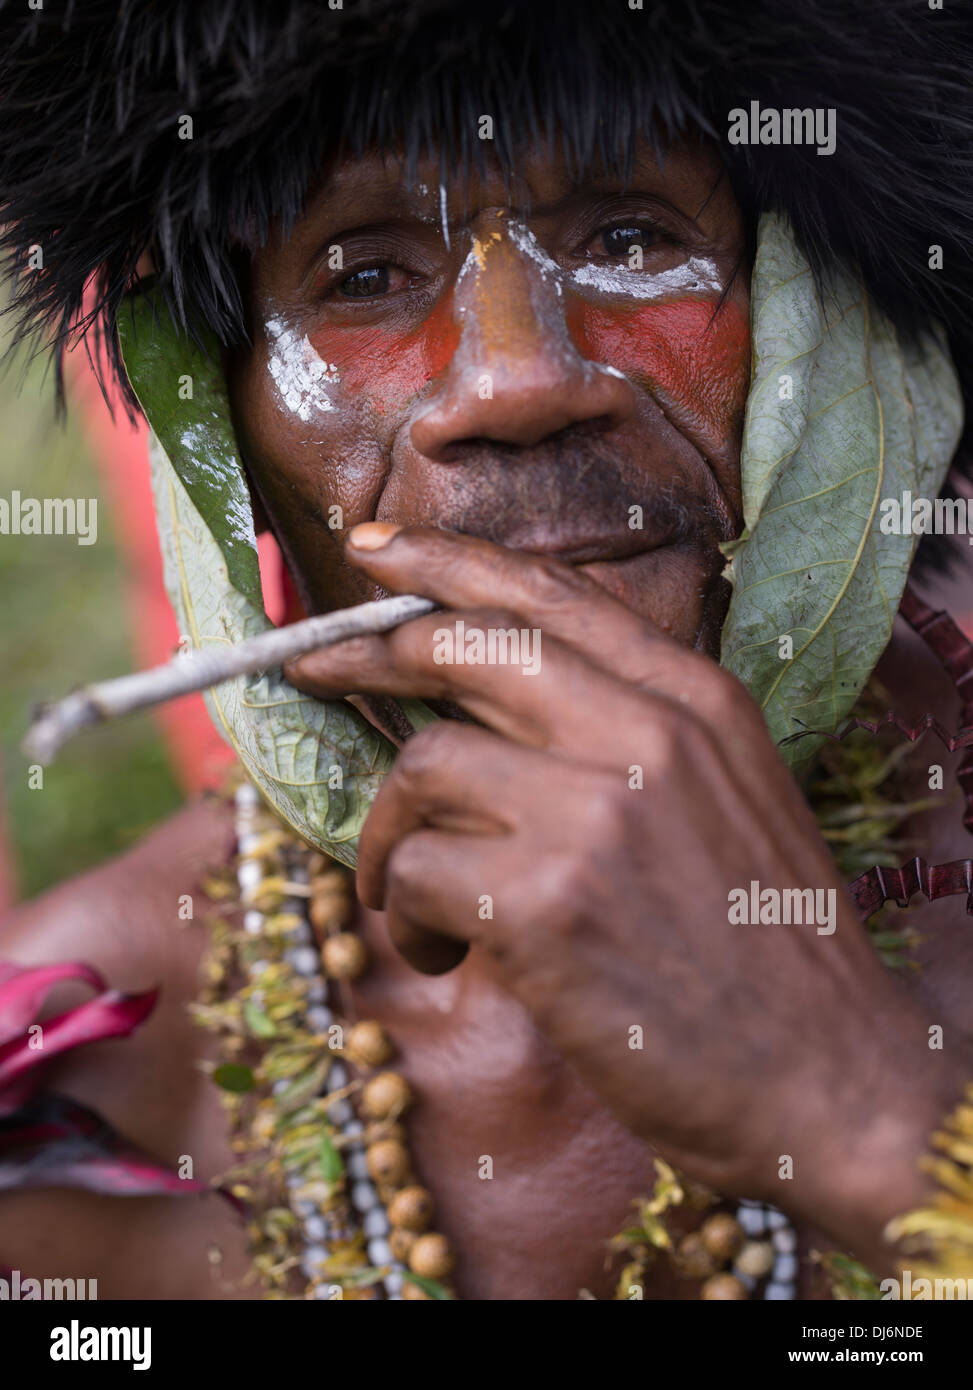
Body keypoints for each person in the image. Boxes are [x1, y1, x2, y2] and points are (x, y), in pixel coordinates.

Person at [1, 0, 972, 1302]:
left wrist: (864, 1117)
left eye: (630, 238)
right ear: (220, 433)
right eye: (364, 276)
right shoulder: (89, 1097)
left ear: (839, 326)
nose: (515, 380)